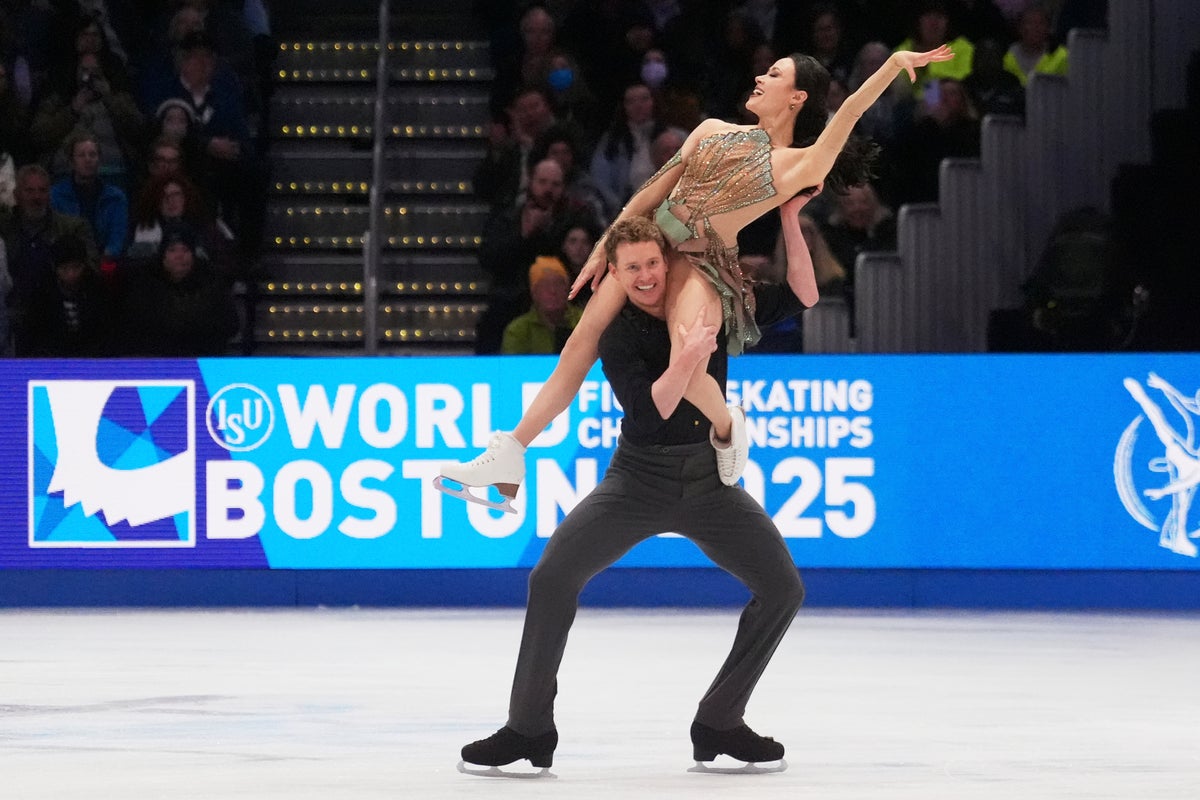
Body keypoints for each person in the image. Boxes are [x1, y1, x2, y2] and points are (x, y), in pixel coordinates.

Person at [439, 45, 953, 508]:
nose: (760, 78)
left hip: (704, 264)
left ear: (796, 97)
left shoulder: (798, 165)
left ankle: (729, 427)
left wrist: (890, 65)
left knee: (686, 357)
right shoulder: (710, 131)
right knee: (581, 343)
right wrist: (604, 248)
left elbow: (848, 115)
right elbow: (649, 195)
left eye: (773, 75)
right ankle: (512, 450)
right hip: (651, 244)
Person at [458, 216, 807, 774]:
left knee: (783, 588)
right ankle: (528, 728)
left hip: (709, 483)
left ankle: (719, 719)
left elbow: (800, 296)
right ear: (613, 275)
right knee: (550, 577)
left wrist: (791, 217)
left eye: (652, 264)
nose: (645, 276)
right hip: (637, 480)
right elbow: (648, 412)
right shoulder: (617, 331)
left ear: (665, 263)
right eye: (632, 268)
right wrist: (689, 360)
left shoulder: (699, 306)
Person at [501, 256, 583, 355]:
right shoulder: (517, 331)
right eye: (544, 285)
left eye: (558, 284)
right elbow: (513, 367)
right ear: (534, 292)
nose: (553, 291)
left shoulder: (585, 321)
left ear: (568, 289)